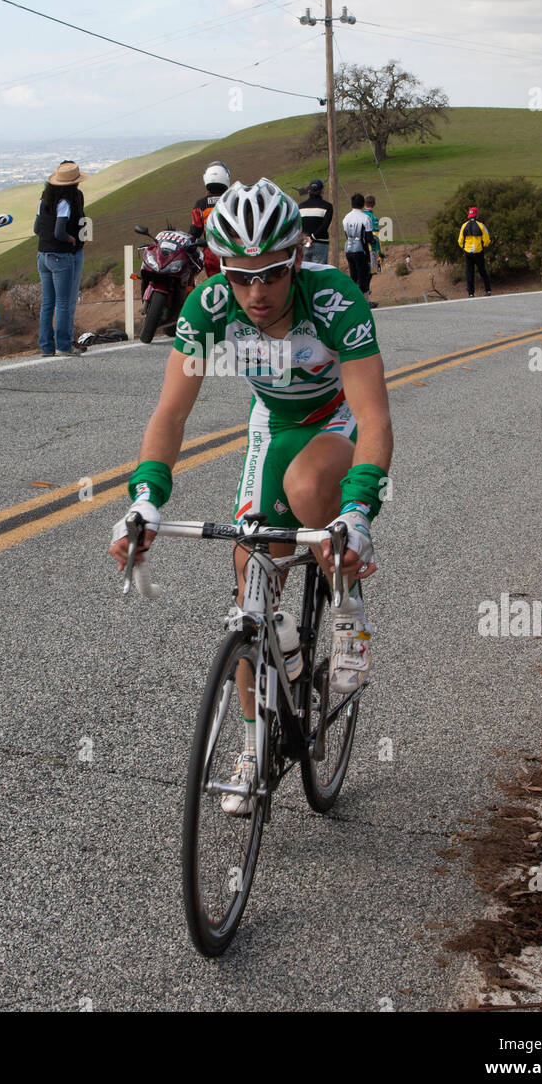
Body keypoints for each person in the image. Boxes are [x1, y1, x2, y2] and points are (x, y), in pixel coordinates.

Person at [109, 178, 393, 814]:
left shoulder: (336, 299)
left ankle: (346, 599)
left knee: (310, 488)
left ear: (295, 259)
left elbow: (375, 418)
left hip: (334, 420)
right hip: (273, 422)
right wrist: (146, 498)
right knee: (251, 592)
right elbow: (171, 414)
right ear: (221, 269)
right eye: (240, 276)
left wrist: (360, 510)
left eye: (270, 274)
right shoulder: (209, 309)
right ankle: (252, 743)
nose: (256, 294)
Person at [34, 160, 88, 357]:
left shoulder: (45, 199)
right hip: (61, 255)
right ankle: (64, 346)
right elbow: (59, 231)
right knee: (63, 302)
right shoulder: (65, 202)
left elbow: (36, 228)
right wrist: (70, 238)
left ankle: (46, 347)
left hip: (42, 254)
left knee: (47, 303)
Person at [189, 160, 231, 278]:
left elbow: (195, 231)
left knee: (216, 284)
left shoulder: (200, 204)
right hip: (234, 251)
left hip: (211, 252)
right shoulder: (234, 199)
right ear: (226, 177)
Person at [343, 193, 374, 297]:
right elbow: (369, 238)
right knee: (363, 277)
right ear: (362, 204)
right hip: (361, 250)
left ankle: (352, 299)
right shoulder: (365, 218)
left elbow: (346, 235)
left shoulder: (346, 218)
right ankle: (364, 301)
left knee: (353, 276)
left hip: (348, 249)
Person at [458, 205, 492, 297]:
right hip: (478, 251)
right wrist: (484, 246)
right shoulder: (481, 226)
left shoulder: (464, 226)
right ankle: (488, 290)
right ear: (477, 215)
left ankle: (471, 293)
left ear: (469, 215)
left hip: (468, 252)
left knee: (469, 273)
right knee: (483, 271)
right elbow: (487, 239)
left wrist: (464, 248)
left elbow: (460, 241)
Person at [298, 178, 333, 263]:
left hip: (304, 243)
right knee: (319, 273)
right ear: (322, 191)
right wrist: (313, 237)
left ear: (309, 191)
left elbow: (298, 226)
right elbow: (325, 226)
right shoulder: (327, 206)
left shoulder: (301, 207)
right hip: (320, 243)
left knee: (305, 272)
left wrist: (305, 238)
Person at [364, 194, 384, 273]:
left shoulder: (360, 216)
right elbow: (375, 235)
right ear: (374, 204)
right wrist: (379, 252)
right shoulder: (373, 218)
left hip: (359, 248)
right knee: (374, 271)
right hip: (372, 248)